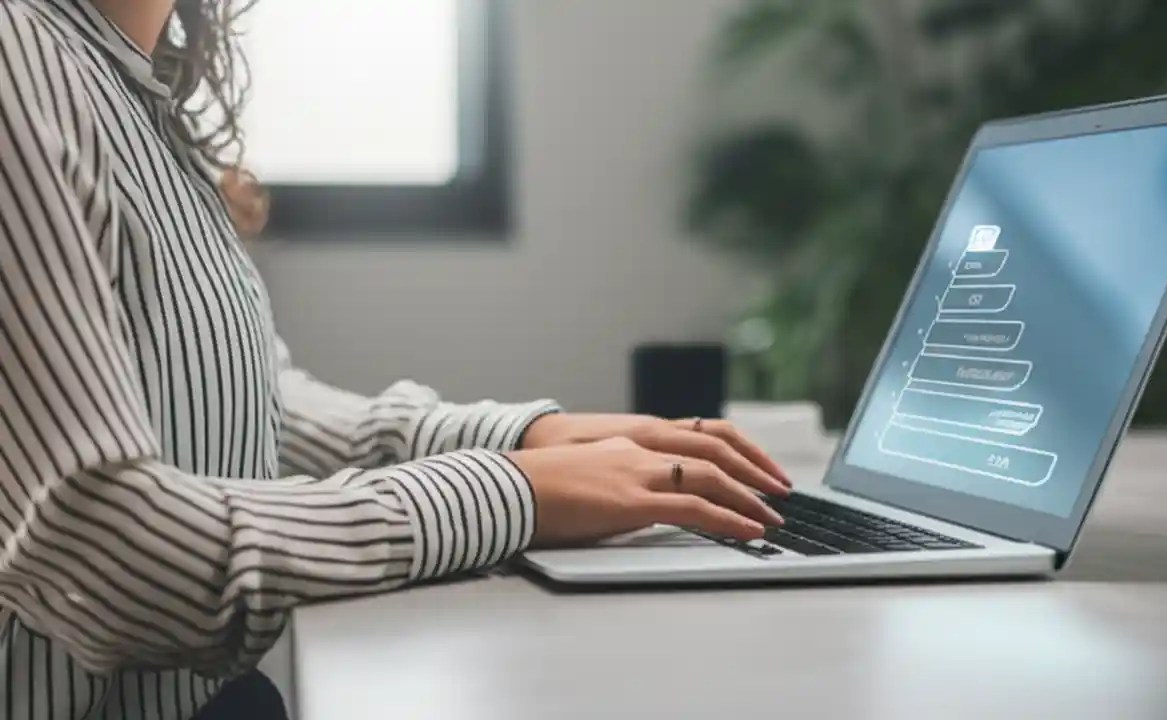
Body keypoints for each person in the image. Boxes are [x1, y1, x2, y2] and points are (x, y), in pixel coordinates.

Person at [0, 0, 792, 718]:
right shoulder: (19, 59)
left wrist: (524, 438)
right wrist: (508, 490)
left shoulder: (129, 89)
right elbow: (110, 551)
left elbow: (254, 408)